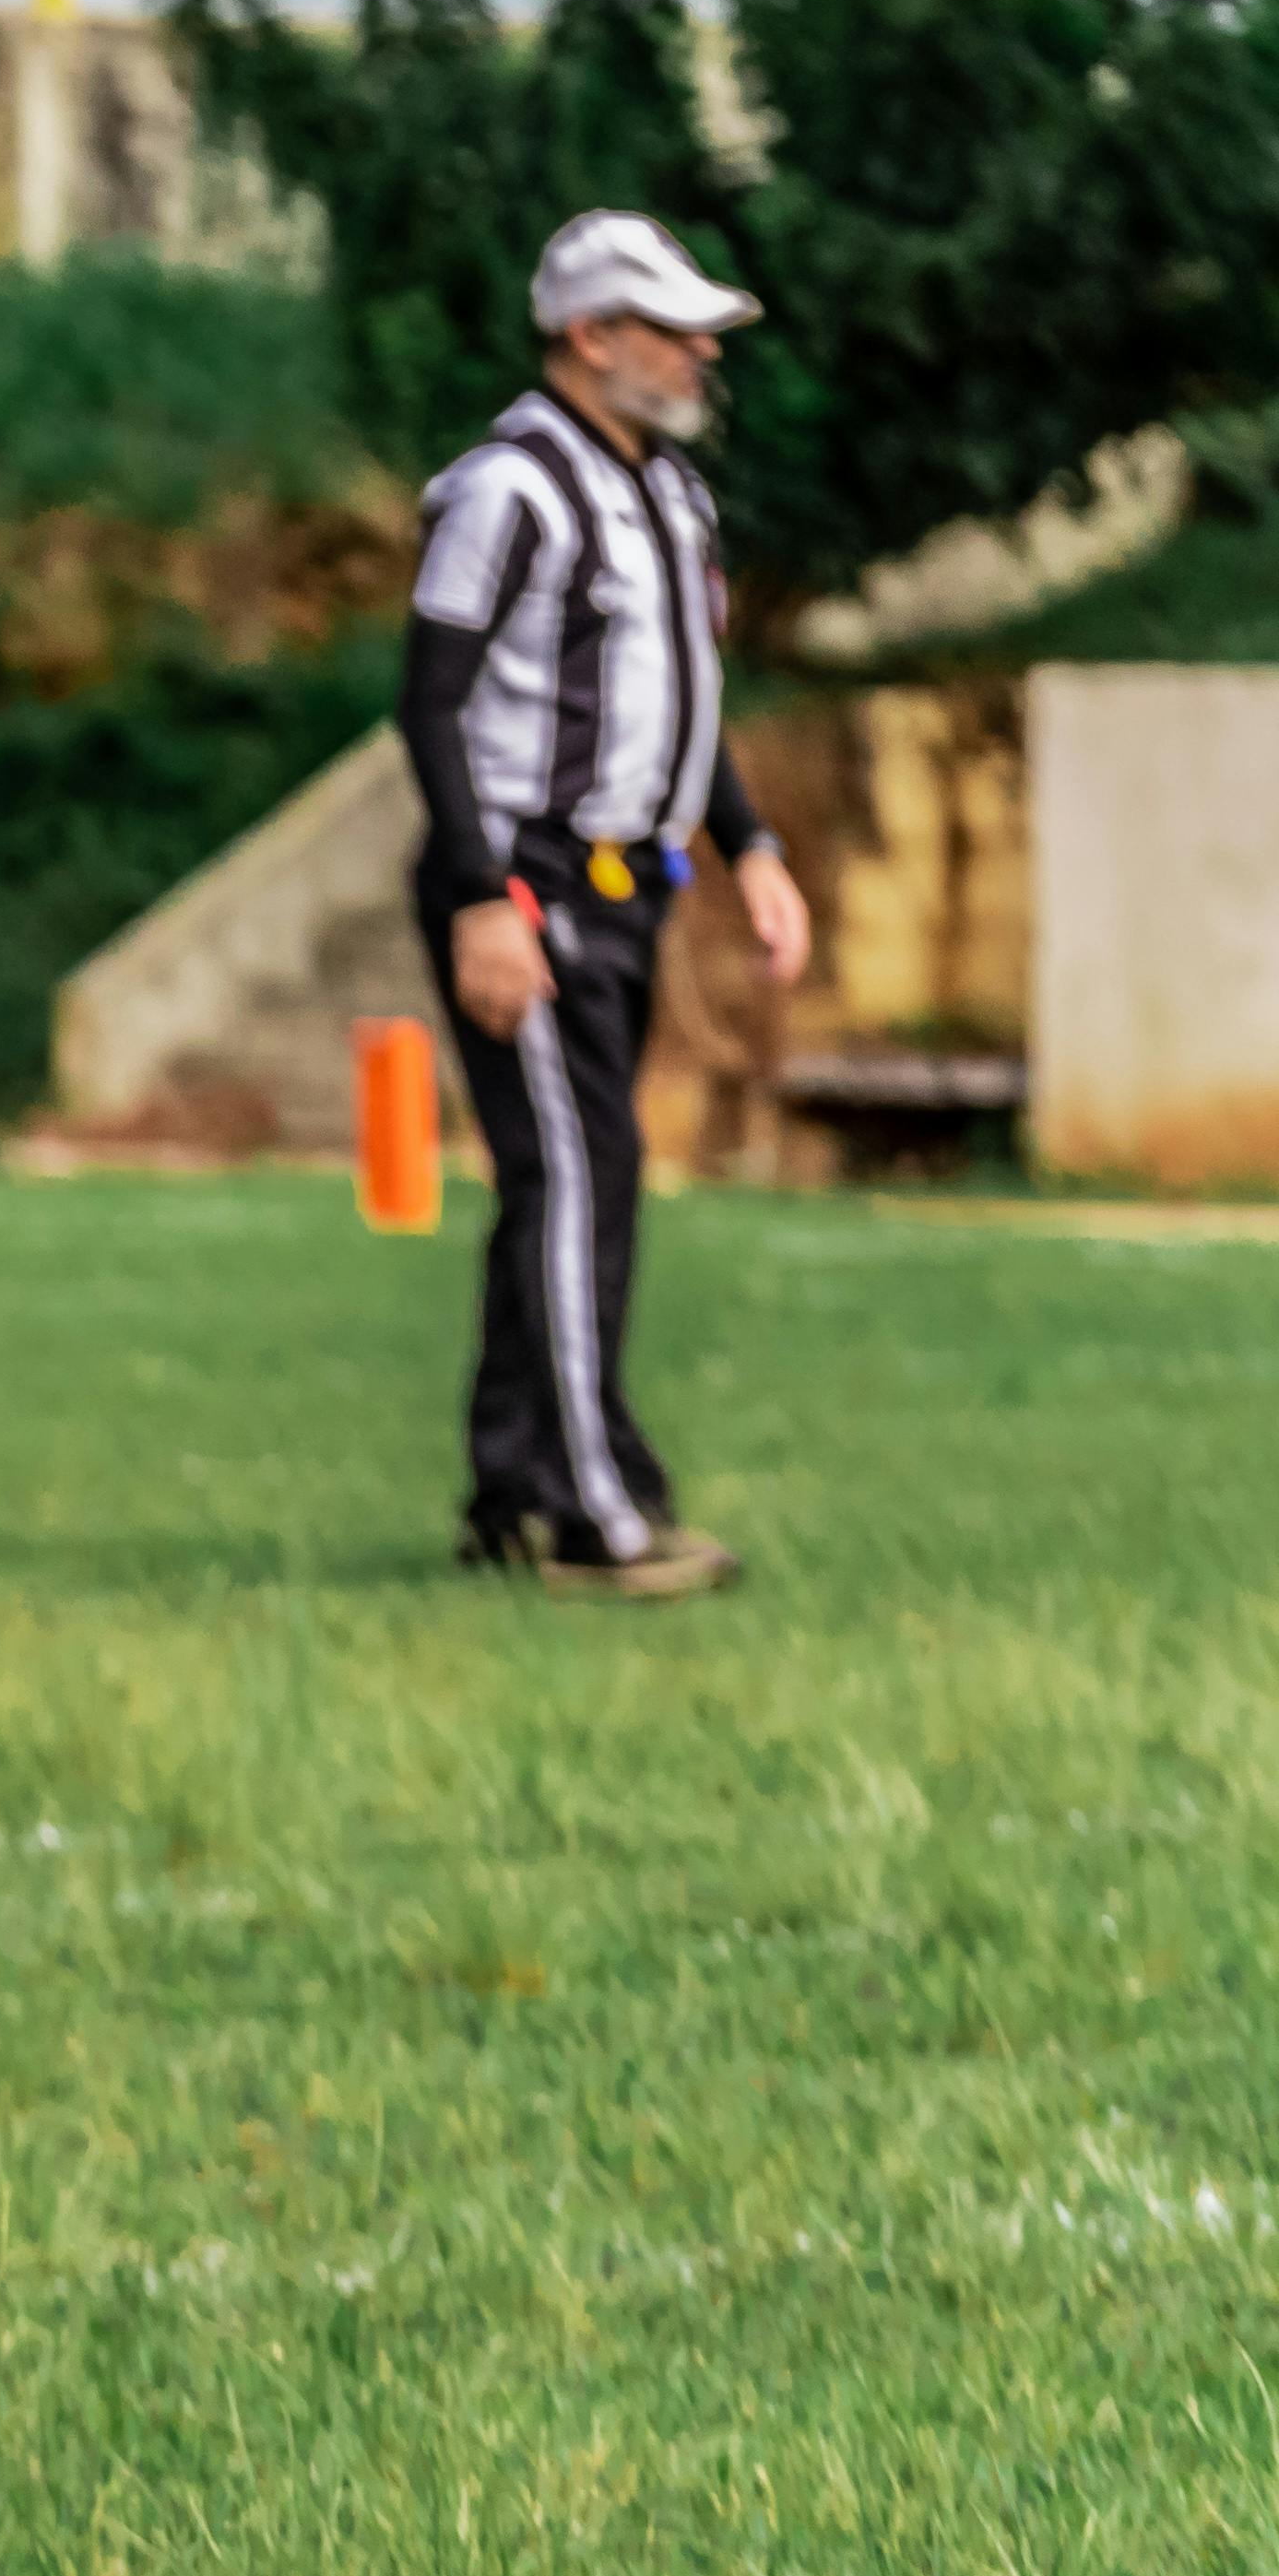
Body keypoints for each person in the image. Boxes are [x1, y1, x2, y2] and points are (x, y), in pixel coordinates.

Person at [399, 207, 810, 1601]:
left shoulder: (668, 494)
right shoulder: (509, 491)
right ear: (591, 337)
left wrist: (748, 844)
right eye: (673, 327)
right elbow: (432, 704)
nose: (702, 353)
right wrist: (480, 899)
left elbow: (680, 700)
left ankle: (514, 1488)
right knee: (580, 1178)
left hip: (634, 882)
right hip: (532, 875)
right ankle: (594, 1510)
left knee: (566, 1183)